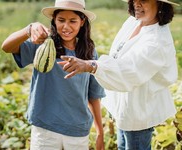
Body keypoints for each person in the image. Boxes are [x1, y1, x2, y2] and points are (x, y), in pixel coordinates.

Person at [58, 0, 179, 149]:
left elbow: (128, 70)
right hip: (124, 110)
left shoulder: (156, 42)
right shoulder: (134, 22)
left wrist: (91, 65)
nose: (137, 4)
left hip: (138, 113)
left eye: (144, 0)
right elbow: (118, 57)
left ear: (160, 4)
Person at [1, 0, 106, 149]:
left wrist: (100, 133)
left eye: (73, 21)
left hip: (78, 130)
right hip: (45, 128)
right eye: (61, 20)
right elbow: (6, 47)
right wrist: (29, 29)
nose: (66, 26)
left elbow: (94, 95)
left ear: (82, 22)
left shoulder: (89, 52)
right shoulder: (42, 44)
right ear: (54, 20)